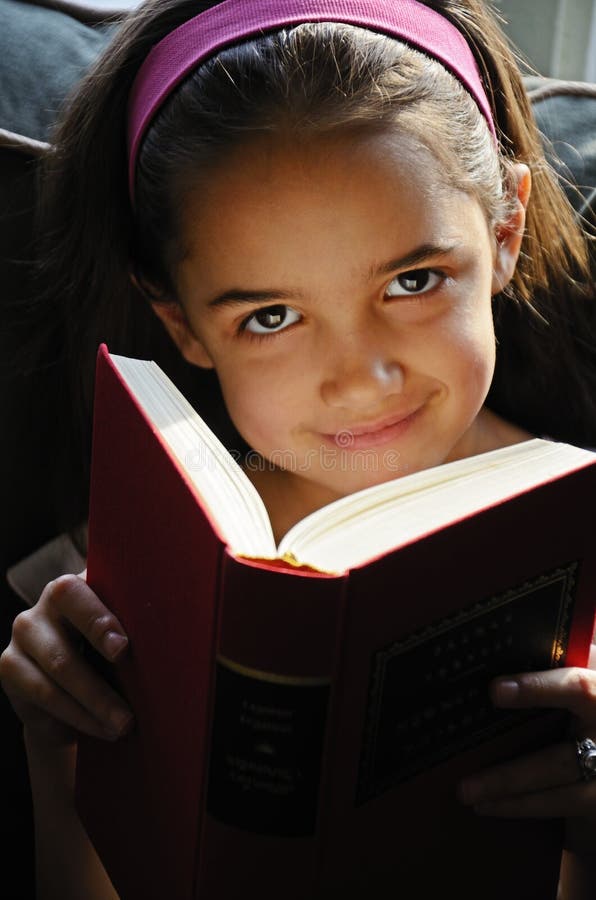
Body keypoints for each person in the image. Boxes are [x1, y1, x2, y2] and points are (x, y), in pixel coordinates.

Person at [1, 0, 596, 896]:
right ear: (184, 324)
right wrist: (58, 758)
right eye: (272, 317)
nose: (359, 381)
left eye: (414, 281)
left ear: (504, 231)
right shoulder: (126, 578)